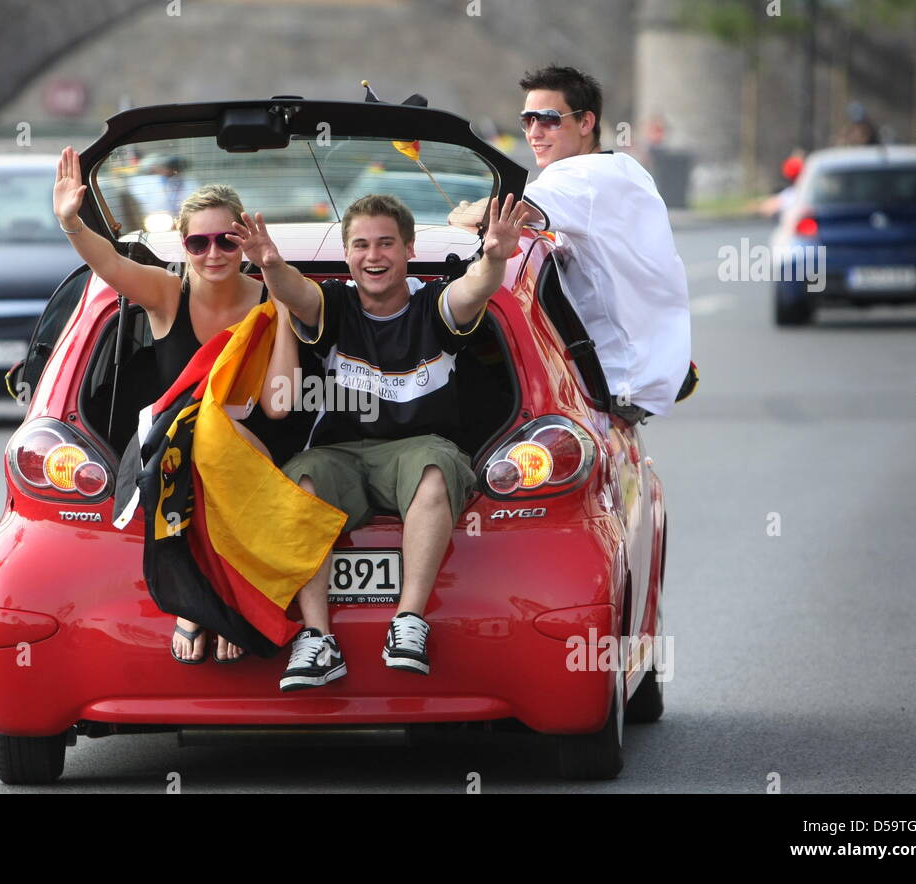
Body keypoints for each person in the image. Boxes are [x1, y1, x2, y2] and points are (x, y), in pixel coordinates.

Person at [229, 192, 530, 690]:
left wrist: (494, 258)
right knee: (300, 479)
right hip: (341, 455)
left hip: (419, 449)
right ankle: (318, 639)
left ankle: (408, 622)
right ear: (347, 255)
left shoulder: (434, 301)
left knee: (433, 469)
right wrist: (270, 264)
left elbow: (473, 290)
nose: (374, 256)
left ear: (409, 249)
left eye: (387, 243)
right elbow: (297, 293)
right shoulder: (335, 303)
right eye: (362, 245)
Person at [53, 146, 287, 664]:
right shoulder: (166, 293)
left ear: (243, 239)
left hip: (259, 441)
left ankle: (223, 605)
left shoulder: (273, 297)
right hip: (173, 446)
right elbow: (110, 263)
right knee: (199, 445)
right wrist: (72, 222)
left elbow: (287, 392)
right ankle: (199, 603)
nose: (213, 253)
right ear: (182, 247)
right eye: (198, 242)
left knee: (230, 451)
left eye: (226, 240)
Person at [449, 65, 691, 423]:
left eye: (548, 119)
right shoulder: (622, 169)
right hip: (639, 377)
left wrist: (461, 215)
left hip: (607, 382)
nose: (534, 132)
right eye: (526, 120)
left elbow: (505, 211)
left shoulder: (583, 177)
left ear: (585, 122)